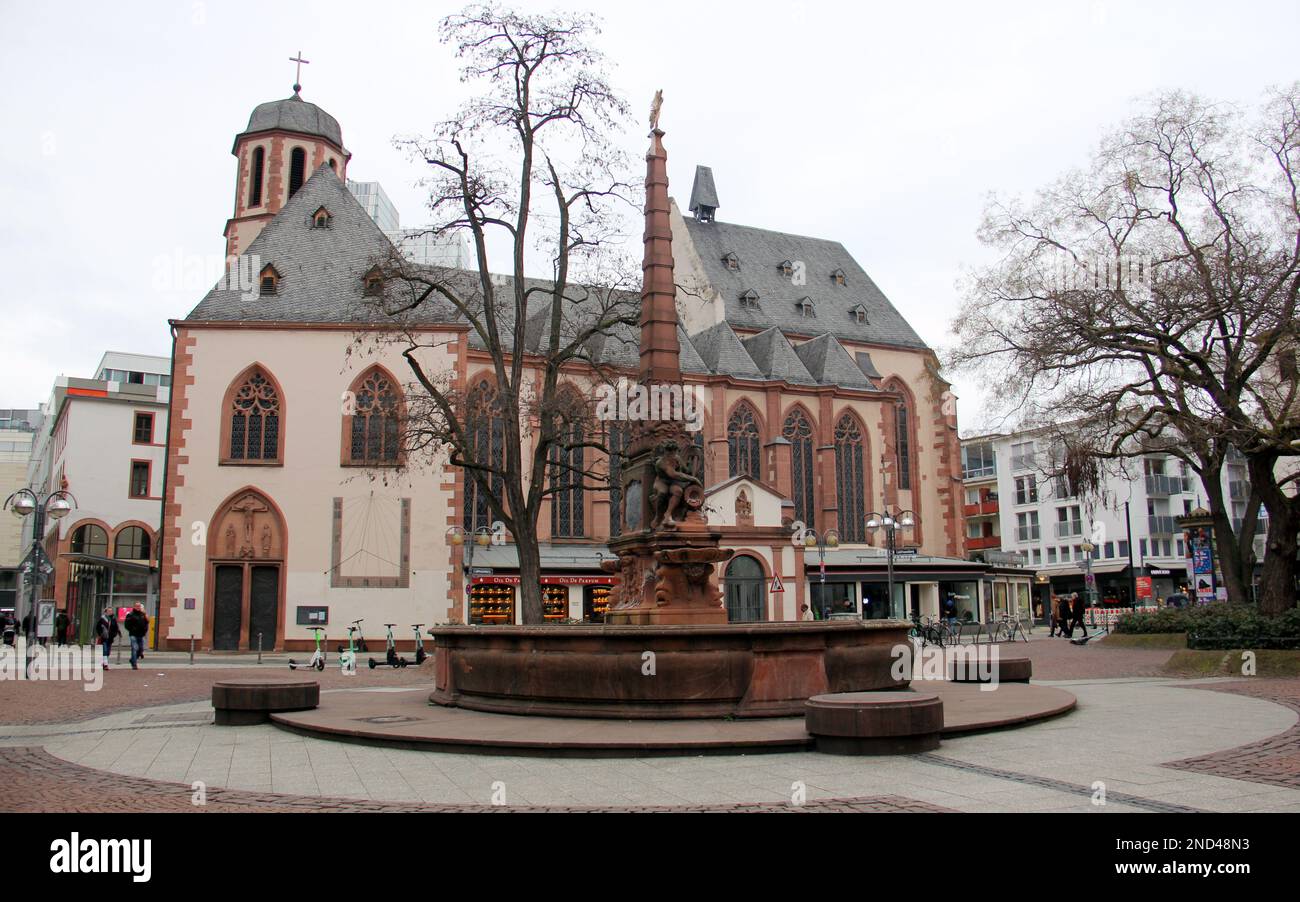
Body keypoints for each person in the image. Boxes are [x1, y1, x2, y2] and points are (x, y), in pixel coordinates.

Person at [123, 603, 149, 670]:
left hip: (141, 634)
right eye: (137, 606)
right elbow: (126, 624)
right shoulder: (130, 615)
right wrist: (132, 629)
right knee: (134, 648)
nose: (138, 607)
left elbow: (146, 623)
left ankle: (132, 659)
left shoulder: (143, 615)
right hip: (133, 634)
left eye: (139, 606)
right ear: (134, 607)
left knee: (141, 649)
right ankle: (134, 664)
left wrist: (145, 630)